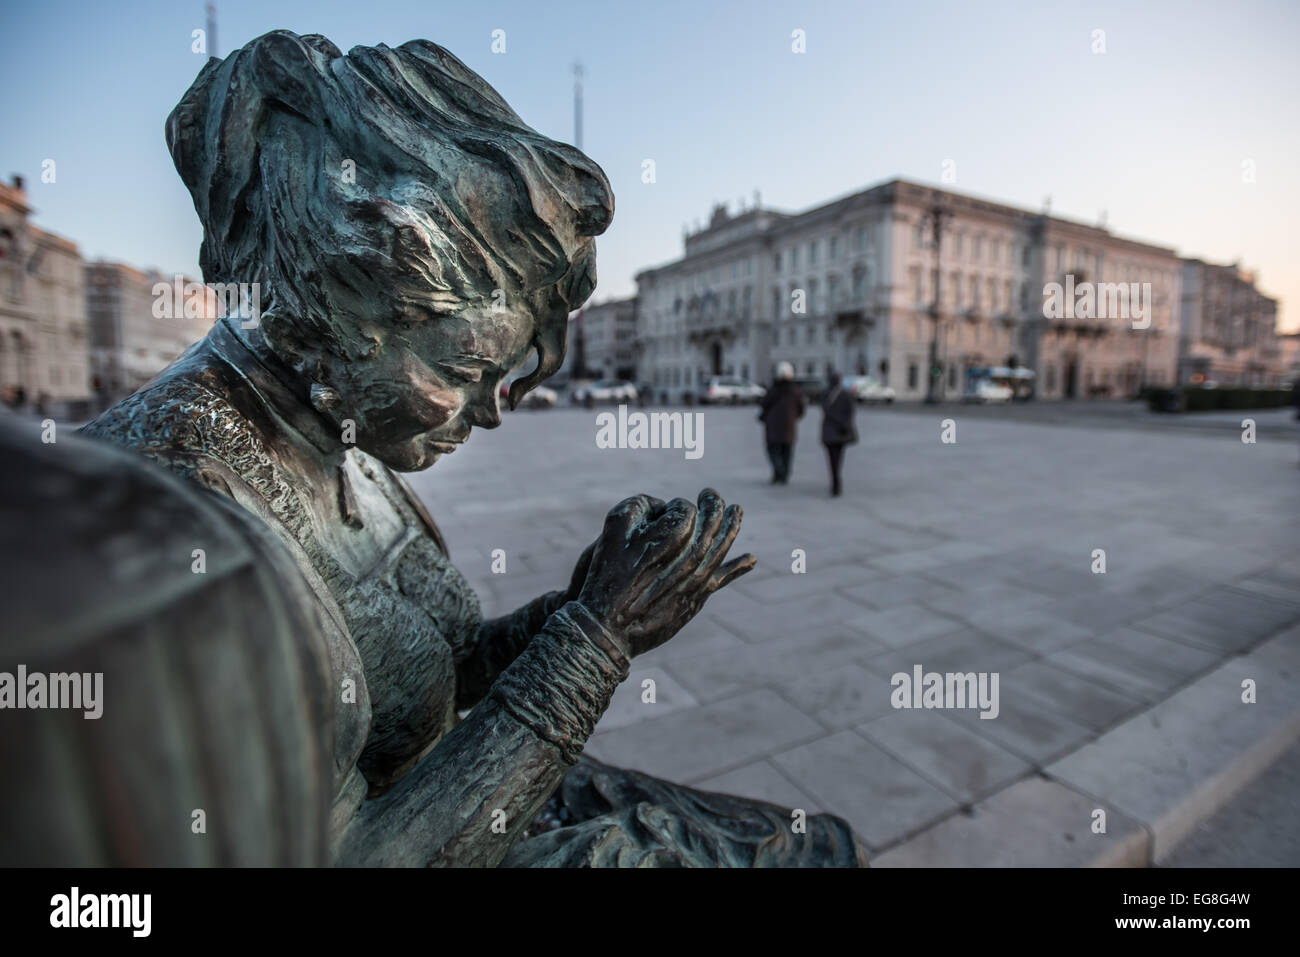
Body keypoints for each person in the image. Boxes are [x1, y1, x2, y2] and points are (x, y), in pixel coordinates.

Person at [78, 31, 865, 867]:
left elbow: (446, 673)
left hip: (494, 799)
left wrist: (582, 605)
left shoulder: (341, 436)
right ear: (346, 304)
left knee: (808, 844)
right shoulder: (178, 526)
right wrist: (592, 645)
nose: (495, 410)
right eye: (468, 366)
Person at [758, 361, 804, 484]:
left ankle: (779, 471)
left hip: (773, 426)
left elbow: (764, 404)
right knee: (787, 451)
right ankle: (784, 474)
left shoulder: (773, 389)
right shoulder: (796, 391)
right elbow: (801, 409)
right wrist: (794, 417)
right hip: (789, 426)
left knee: (772, 450)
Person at [820, 371, 857, 496]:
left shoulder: (825, 394)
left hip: (830, 432)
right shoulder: (846, 394)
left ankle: (835, 482)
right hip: (841, 432)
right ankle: (836, 481)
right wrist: (844, 424)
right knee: (838, 458)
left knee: (832, 459)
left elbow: (825, 410)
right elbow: (850, 412)